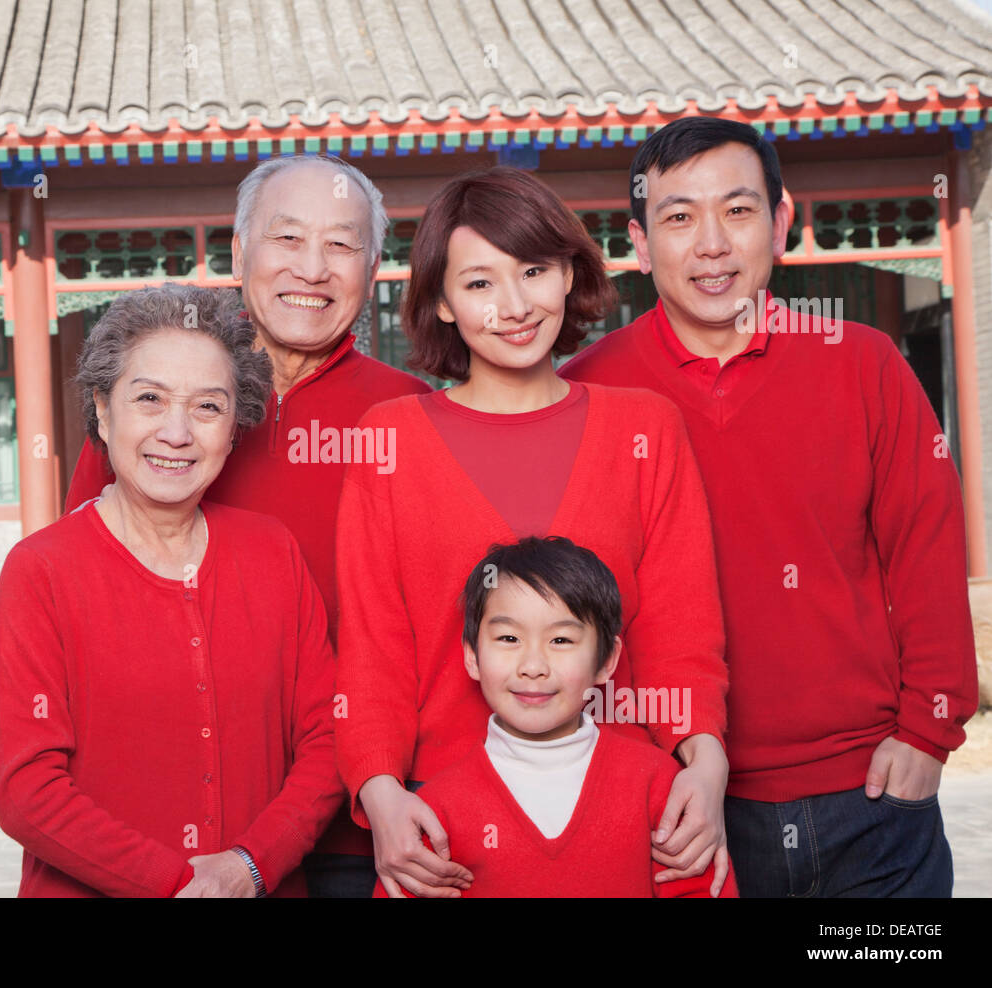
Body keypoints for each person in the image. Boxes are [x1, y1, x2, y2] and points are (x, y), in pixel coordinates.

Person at [560, 116, 979, 897]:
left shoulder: (863, 365)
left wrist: (928, 733)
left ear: (782, 223)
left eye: (739, 210)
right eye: (679, 217)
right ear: (641, 243)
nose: (712, 244)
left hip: (871, 798)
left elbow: (927, 550)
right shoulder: (588, 389)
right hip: (675, 801)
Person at [335, 167, 732, 900]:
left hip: (626, 807)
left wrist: (705, 768)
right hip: (441, 819)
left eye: (534, 270)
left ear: (568, 276)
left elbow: (681, 625)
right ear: (443, 303)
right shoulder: (387, 440)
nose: (514, 306)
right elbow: (372, 647)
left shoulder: (644, 427)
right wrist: (381, 796)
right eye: (479, 283)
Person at [61, 154, 430, 897]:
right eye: (287, 239)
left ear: (374, 266)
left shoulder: (414, 417)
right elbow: (79, 592)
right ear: (238, 253)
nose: (313, 269)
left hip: (372, 822)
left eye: (341, 245)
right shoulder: (164, 412)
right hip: (183, 827)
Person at [0, 284, 342, 897]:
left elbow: (328, 737)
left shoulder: (271, 552)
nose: (176, 433)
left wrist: (250, 866)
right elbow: (26, 789)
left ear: (235, 426)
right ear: (103, 408)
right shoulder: (40, 570)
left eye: (207, 407)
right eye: (149, 399)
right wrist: (176, 884)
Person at [378, 536, 738, 897]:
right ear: (472, 655)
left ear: (607, 660)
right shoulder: (435, 810)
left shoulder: (659, 785)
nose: (533, 666)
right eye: (507, 638)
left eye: (561, 641)